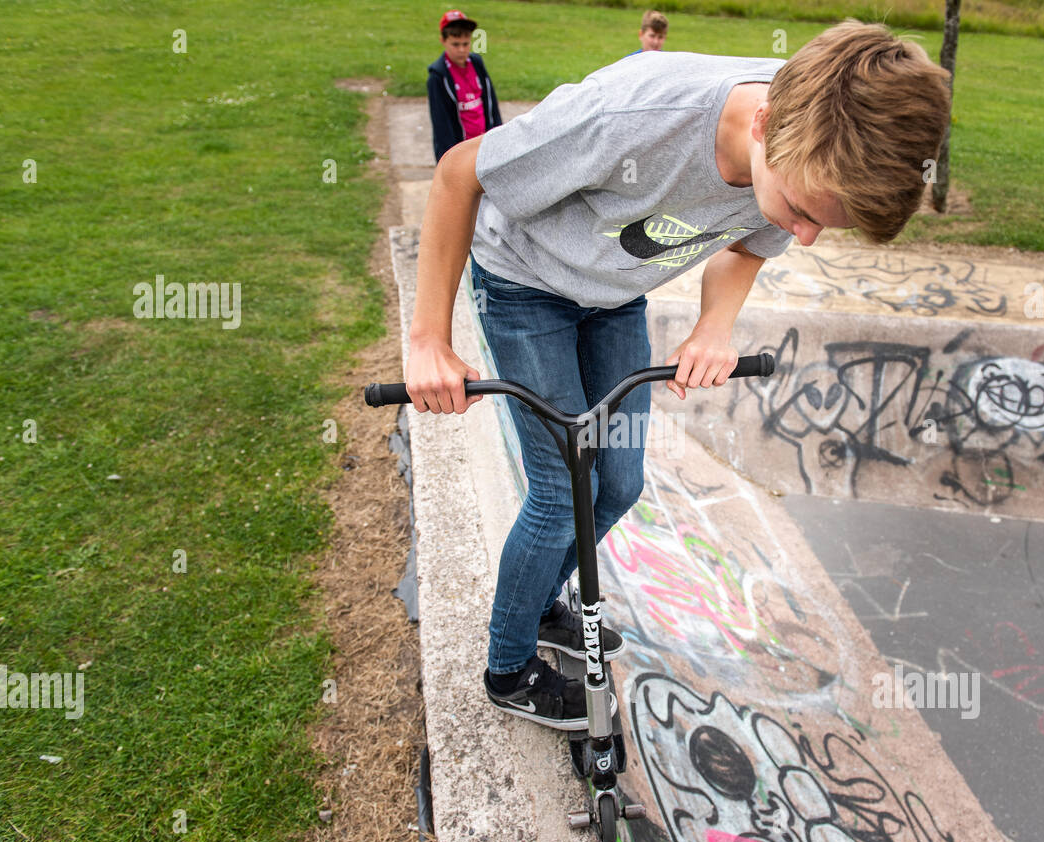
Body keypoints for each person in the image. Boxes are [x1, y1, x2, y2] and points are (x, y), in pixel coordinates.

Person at [403, 20, 952, 729]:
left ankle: (538, 604)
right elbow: (457, 175)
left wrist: (715, 323)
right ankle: (508, 668)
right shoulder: (630, 119)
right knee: (563, 489)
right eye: (802, 212)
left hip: (614, 290)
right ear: (762, 124)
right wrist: (428, 338)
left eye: (825, 224)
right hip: (525, 282)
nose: (805, 235)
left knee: (620, 485)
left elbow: (750, 244)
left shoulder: (815, 130)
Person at [427, 9, 503, 163]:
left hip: (484, 145)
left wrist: (498, 136)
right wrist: (447, 160)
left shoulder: (477, 64)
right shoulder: (438, 77)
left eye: (465, 44)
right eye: (455, 44)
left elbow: (490, 102)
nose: (461, 50)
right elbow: (441, 123)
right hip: (460, 152)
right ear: (443, 40)